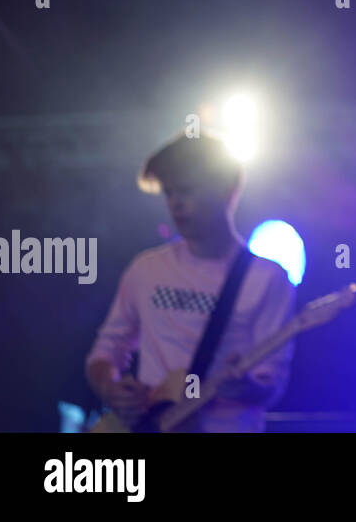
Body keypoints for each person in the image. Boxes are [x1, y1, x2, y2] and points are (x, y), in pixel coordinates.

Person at [85, 132, 295, 432]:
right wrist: (112, 391)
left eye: (186, 191)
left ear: (225, 189)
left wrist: (243, 386)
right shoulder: (146, 269)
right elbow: (106, 349)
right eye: (169, 193)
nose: (175, 204)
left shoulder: (267, 278)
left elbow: (271, 383)